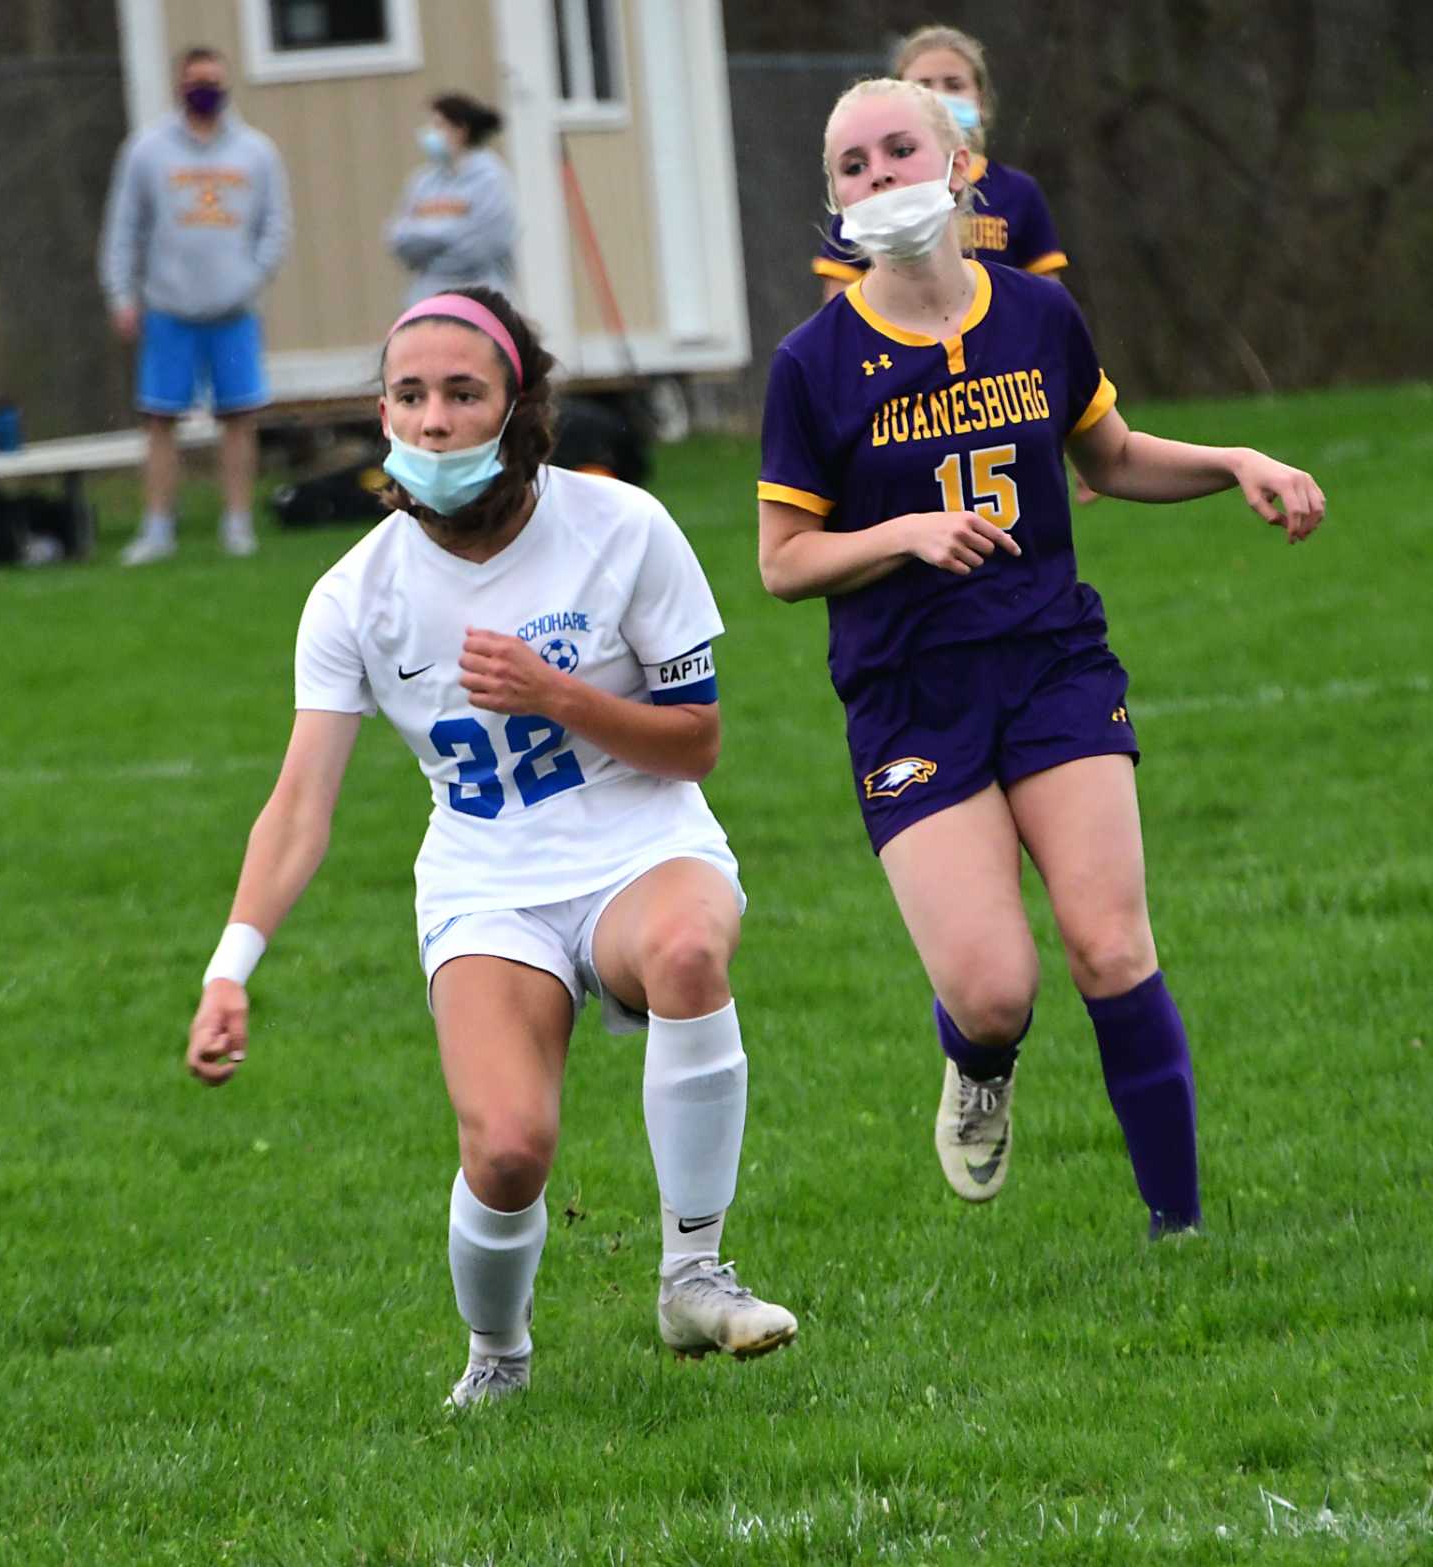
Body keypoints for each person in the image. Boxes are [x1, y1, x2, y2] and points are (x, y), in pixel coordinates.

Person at [187, 287, 797, 1409]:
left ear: (518, 411)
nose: (431, 419)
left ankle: (693, 1274)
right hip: (487, 881)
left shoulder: (622, 528)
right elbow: (298, 804)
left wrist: (558, 694)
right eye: (408, 397)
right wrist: (231, 968)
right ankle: (498, 1353)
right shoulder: (350, 594)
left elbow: (696, 743)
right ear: (381, 415)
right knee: (509, 1149)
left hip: (638, 841)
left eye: (461, 394)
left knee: (685, 955)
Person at [756, 80, 1326, 1238]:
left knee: (1110, 944)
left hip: (1050, 661)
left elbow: (1107, 457)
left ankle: (1181, 1234)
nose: (878, 176)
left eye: (898, 149)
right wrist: (902, 535)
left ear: (959, 163)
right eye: (851, 166)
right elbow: (782, 561)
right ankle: (976, 1063)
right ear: (832, 201)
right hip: (910, 693)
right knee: (992, 988)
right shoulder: (810, 364)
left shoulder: (1033, 316)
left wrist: (1229, 461)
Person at [99, 45, 291, 565]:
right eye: (196, 79)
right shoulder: (147, 150)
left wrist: (249, 279)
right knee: (161, 421)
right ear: (180, 85)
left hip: (233, 313)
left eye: (213, 78)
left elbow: (275, 227)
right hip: (167, 310)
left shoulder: (256, 152)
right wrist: (122, 294)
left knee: (238, 418)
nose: (205, 88)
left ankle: (238, 524)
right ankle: (158, 528)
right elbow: (125, 229)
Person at [812, 26, 1066, 306]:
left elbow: (1046, 304)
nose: (938, 97)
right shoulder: (870, 193)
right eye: (923, 86)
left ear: (981, 100)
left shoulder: (1019, 191)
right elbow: (838, 311)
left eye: (954, 85)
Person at [386, 93, 517, 307]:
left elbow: (483, 245)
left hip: (479, 298)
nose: (429, 133)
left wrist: (428, 239)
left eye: (438, 125)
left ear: (461, 129)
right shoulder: (423, 181)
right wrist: (451, 232)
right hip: (426, 300)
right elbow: (399, 239)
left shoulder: (491, 178)